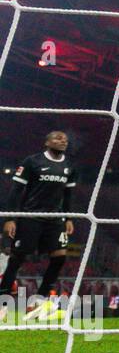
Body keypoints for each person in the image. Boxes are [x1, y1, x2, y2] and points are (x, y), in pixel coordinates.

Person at [0, 130, 76, 319]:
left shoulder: (69, 166)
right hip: (31, 216)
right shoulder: (32, 162)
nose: (62, 141)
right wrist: (10, 218)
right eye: (58, 138)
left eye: (65, 139)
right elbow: (16, 190)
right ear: (47, 142)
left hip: (55, 219)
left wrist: (68, 218)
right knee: (18, 258)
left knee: (59, 257)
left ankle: (39, 300)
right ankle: (2, 300)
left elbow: (68, 195)